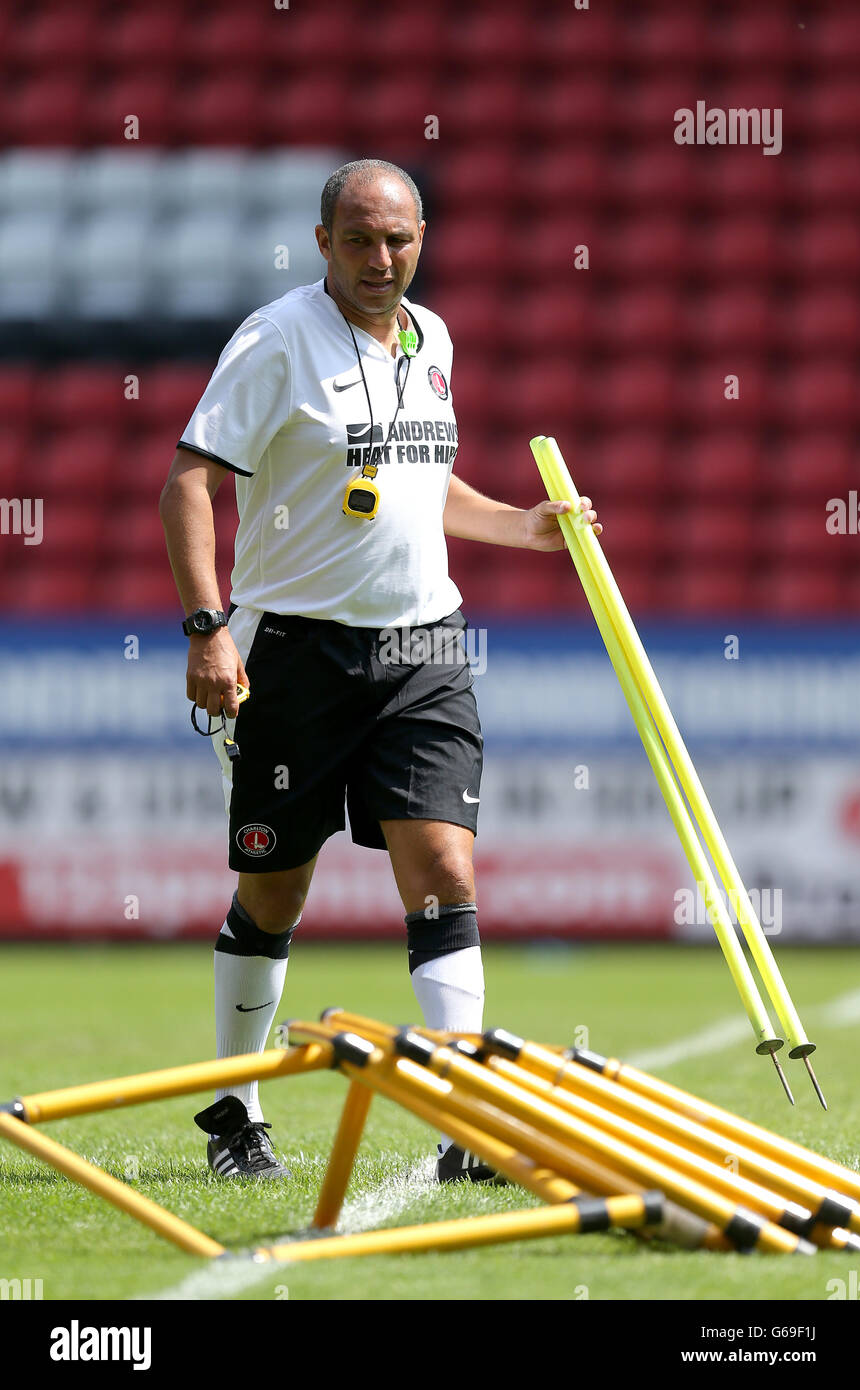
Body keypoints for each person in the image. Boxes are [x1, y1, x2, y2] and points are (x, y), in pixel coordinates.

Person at [159, 158, 601, 1182]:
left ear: (422, 239)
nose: (379, 258)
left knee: (444, 869)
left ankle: (465, 1126)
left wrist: (518, 526)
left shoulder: (429, 337)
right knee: (273, 891)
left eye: (397, 238)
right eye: (358, 238)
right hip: (297, 652)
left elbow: (417, 479)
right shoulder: (275, 340)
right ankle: (236, 1114)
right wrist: (205, 627)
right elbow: (189, 479)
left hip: (422, 644)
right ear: (322, 242)